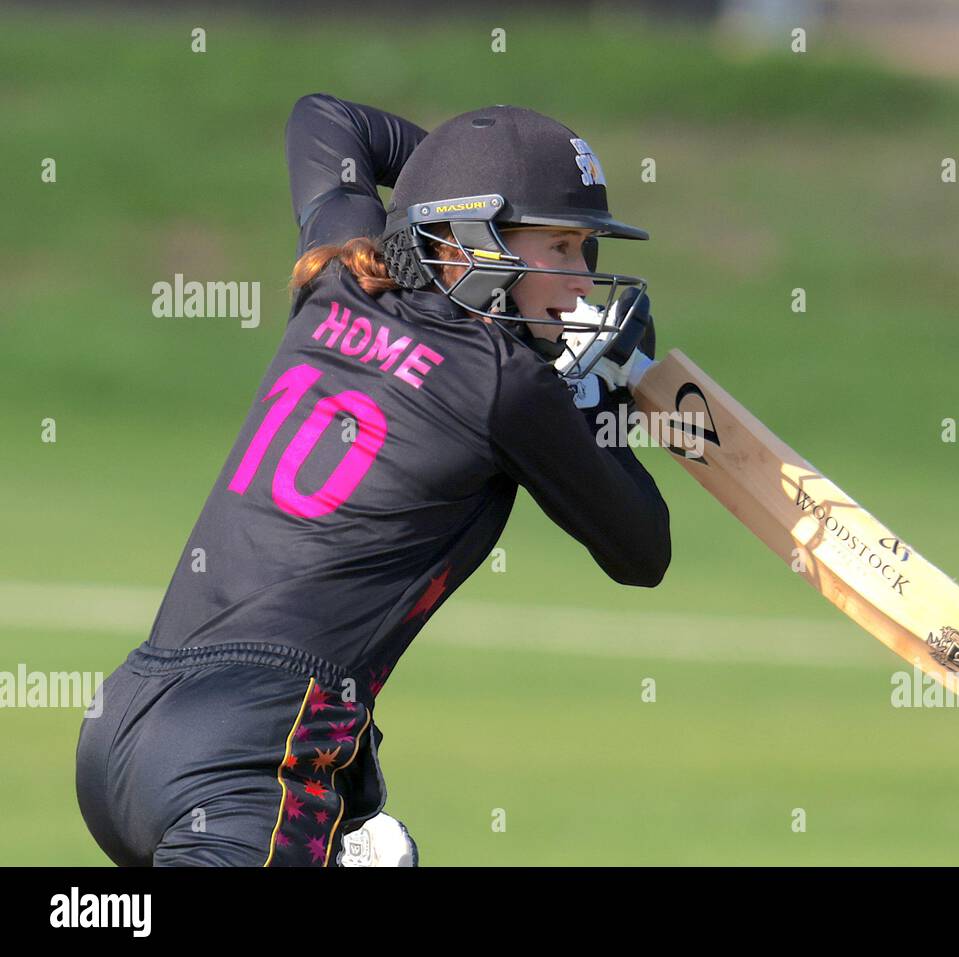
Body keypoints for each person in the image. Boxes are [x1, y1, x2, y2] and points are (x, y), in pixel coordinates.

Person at [74, 94, 670, 867]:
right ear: (466, 242)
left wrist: (451, 185)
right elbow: (641, 549)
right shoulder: (509, 386)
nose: (582, 282)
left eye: (584, 251)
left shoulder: (340, 273)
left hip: (122, 726)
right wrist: (601, 398)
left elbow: (325, 118)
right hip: (254, 761)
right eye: (557, 246)